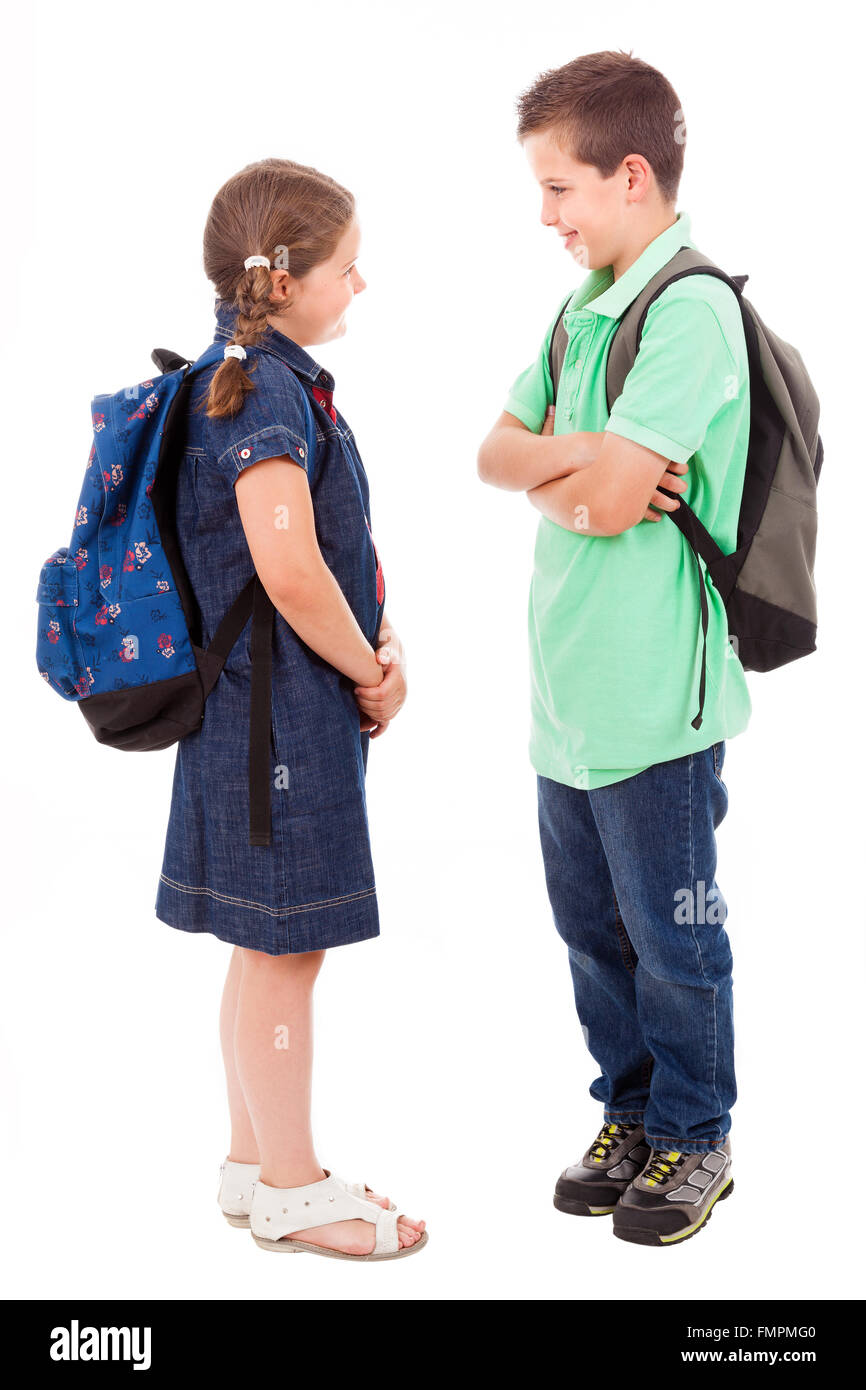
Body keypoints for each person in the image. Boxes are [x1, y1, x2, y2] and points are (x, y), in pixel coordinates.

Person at [478, 51, 750, 1246]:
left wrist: (561, 468)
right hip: (564, 696)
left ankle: (696, 1133)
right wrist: (566, 472)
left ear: (629, 174)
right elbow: (494, 452)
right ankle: (630, 1111)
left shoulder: (687, 310)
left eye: (558, 189)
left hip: (653, 701)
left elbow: (604, 493)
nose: (544, 215)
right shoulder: (579, 302)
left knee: (672, 931)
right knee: (592, 932)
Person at [155, 158, 426, 1261]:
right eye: (348, 269)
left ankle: (247, 1161)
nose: (359, 286)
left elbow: (321, 553)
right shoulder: (263, 388)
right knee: (283, 951)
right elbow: (289, 566)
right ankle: (291, 1185)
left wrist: (379, 643)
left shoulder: (256, 376)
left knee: (262, 943)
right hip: (278, 717)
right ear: (289, 278)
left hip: (261, 707)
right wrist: (370, 666)